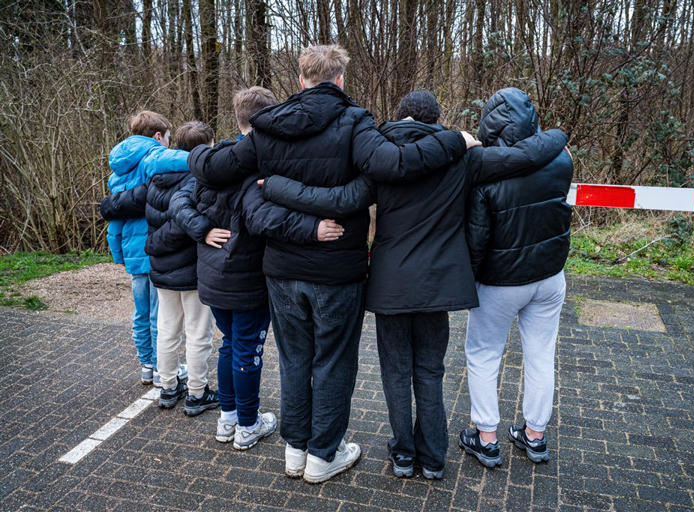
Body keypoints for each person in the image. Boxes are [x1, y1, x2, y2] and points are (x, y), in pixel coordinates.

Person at [188, 45, 479, 483]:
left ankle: (295, 451)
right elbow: (396, 164)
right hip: (336, 271)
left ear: (301, 79)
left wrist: (187, 155)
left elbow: (214, 166)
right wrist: (455, 140)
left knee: (294, 360)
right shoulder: (355, 122)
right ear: (340, 79)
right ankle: (323, 455)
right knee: (334, 363)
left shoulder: (268, 128)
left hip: (281, 270)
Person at [259, 89, 567, 479]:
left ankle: (403, 453)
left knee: (395, 372)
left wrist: (274, 187)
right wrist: (557, 136)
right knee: (429, 371)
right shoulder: (461, 157)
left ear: (400, 116)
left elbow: (339, 198)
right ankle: (434, 458)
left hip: (390, 284)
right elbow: (522, 157)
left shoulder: (378, 157)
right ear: (435, 119)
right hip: (438, 285)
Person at [171, 86, 346, 450]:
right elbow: (263, 218)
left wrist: (200, 229)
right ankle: (247, 424)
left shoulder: (214, 160)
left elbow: (180, 198)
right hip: (244, 276)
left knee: (230, 345)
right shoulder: (255, 165)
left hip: (214, 275)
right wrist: (313, 229)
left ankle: (228, 419)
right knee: (247, 348)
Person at [460, 87, 573, 466]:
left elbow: (477, 238)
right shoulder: (562, 160)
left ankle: (487, 438)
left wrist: (467, 282)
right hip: (549, 276)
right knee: (541, 354)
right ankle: (535, 435)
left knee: (483, 353)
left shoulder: (483, 174)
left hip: (501, 281)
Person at [102, 121, 218, 416]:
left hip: (160, 267)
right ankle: (196, 391)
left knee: (166, 328)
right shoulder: (198, 180)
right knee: (197, 332)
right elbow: (183, 222)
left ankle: (167, 387)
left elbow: (126, 204)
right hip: (190, 267)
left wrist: (152, 244)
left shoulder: (153, 177)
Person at [102, 111, 186, 386]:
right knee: (157, 313)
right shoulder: (151, 155)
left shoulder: (118, 168)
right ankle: (165, 369)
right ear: (158, 135)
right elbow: (178, 159)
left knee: (140, 312)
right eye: (168, 139)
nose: (168, 144)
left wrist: (118, 254)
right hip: (152, 246)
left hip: (131, 251)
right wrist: (204, 156)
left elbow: (114, 219)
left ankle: (147, 365)